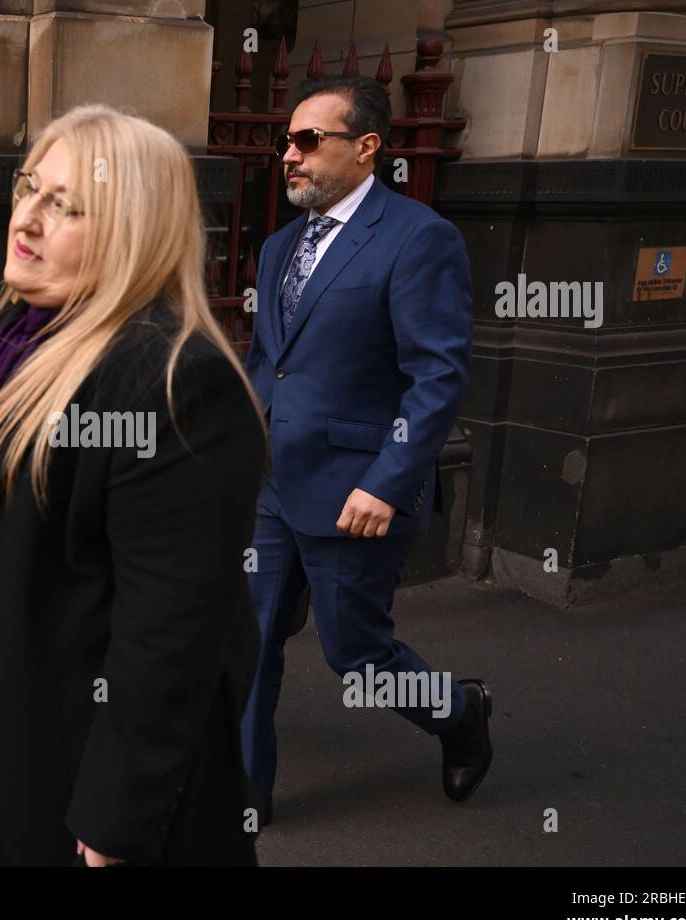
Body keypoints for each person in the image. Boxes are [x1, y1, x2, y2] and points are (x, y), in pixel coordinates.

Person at [0, 104, 268, 865]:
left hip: (83, 792)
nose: (26, 219)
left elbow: (172, 632)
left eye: (67, 206)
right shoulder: (14, 335)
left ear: (134, 229)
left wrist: (114, 821)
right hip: (2, 749)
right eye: (31, 188)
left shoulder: (173, 380)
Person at [240, 75, 493, 826]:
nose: (288, 155)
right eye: (284, 141)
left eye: (308, 141)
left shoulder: (420, 238)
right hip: (269, 487)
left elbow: (437, 375)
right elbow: (268, 362)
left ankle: (458, 714)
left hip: (358, 495)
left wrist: (387, 482)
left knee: (358, 657)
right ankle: (245, 797)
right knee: (246, 644)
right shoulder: (280, 245)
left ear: (367, 147)